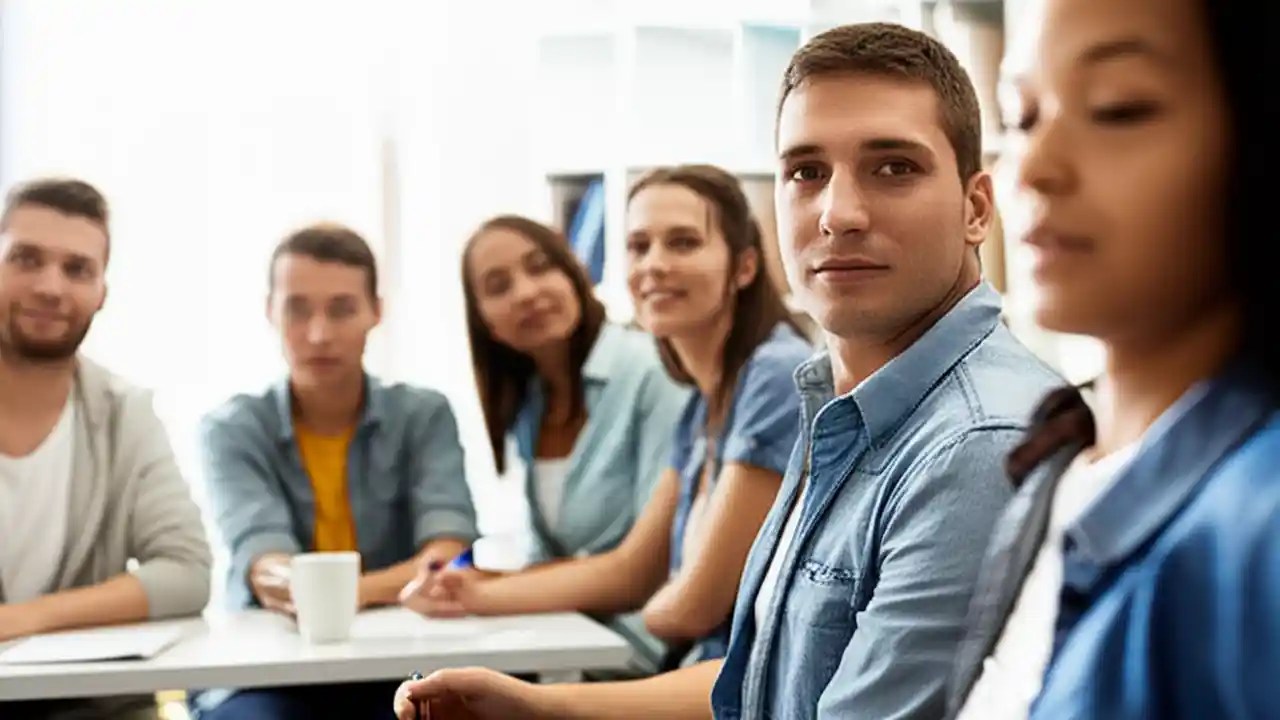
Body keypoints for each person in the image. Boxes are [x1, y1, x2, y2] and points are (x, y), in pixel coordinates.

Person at [393, 22, 1063, 720]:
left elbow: (668, 600)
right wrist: (542, 709)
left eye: (893, 167)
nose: (838, 214)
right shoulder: (834, 403)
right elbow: (758, 690)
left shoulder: (976, 444)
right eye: (805, 172)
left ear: (977, 208)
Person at [948, 0, 1278, 717]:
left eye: (1118, 109)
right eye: (1022, 117)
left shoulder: (1260, 522)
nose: (1032, 166)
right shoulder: (1056, 461)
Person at [403, 165, 811, 668]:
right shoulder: (701, 399)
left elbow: (671, 596)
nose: (655, 265)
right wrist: (477, 587)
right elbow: (652, 576)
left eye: (683, 243)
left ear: (745, 267)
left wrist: (658, 608)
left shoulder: (772, 375)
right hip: (671, 662)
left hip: (704, 673)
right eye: (639, 247)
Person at [193, 224, 477, 719]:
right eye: (298, 310)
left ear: (376, 311)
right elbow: (263, 561)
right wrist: (354, 590)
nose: (319, 333)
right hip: (268, 668)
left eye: (342, 309)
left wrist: (332, 597)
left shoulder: (424, 415)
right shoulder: (232, 428)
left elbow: (448, 554)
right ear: (270, 312)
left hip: (401, 662)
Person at [410, 214, 689, 671]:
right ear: (487, 324)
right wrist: (470, 581)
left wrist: (484, 593)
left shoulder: (653, 372)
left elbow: (647, 569)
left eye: (540, 267)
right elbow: (550, 562)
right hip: (571, 647)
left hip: (648, 656)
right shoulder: (531, 406)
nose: (526, 292)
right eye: (499, 287)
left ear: (573, 272)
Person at [0, 178, 212, 720]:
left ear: (102, 291)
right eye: (26, 259)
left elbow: (186, 572)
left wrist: (24, 618)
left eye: (78, 269)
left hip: (95, 707)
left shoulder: (125, 413)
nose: (51, 287)